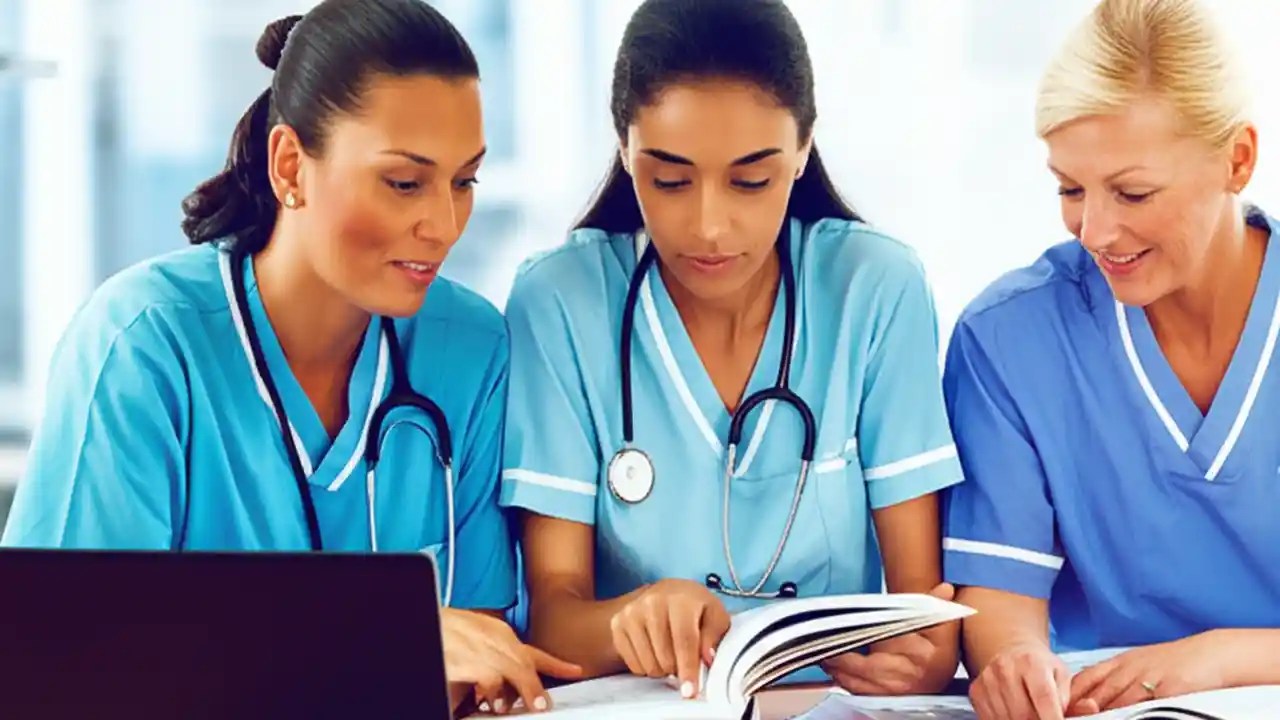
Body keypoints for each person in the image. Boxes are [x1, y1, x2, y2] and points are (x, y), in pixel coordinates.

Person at [2, 1, 577, 714]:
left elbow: (481, 647)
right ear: (289, 167)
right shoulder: (143, 346)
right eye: (404, 182)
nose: (444, 224)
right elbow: (59, 663)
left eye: (464, 181)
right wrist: (371, 642)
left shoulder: (470, 349)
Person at [500, 0, 964, 701]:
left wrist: (922, 660)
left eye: (751, 180)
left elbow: (925, 611)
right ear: (625, 147)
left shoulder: (876, 290)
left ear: (804, 148)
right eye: (670, 180)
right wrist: (633, 618)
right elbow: (553, 619)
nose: (710, 226)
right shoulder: (561, 302)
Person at [941, 1, 1280, 718]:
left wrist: (1216, 659)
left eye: (1132, 192)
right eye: (1069, 188)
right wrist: (1013, 664)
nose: (1094, 231)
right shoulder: (1007, 341)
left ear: (1237, 160)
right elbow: (1000, 602)